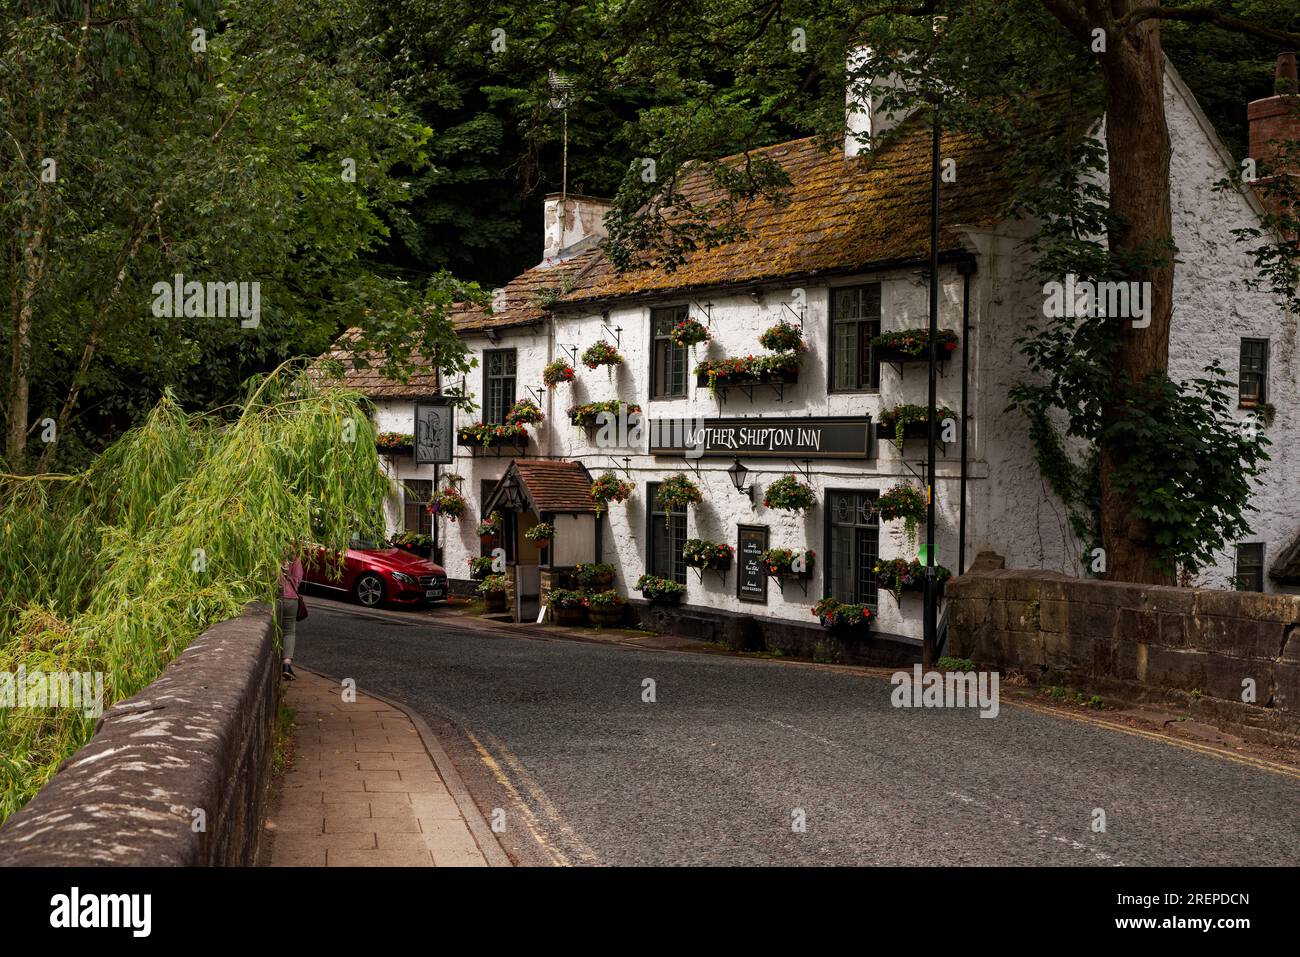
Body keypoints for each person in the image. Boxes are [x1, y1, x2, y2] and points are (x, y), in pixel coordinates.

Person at [279, 555, 304, 680]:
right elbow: (298, 579)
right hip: (291, 599)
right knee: (289, 631)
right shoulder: (295, 558)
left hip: (275, 598)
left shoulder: (272, 551)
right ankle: (287, 665)